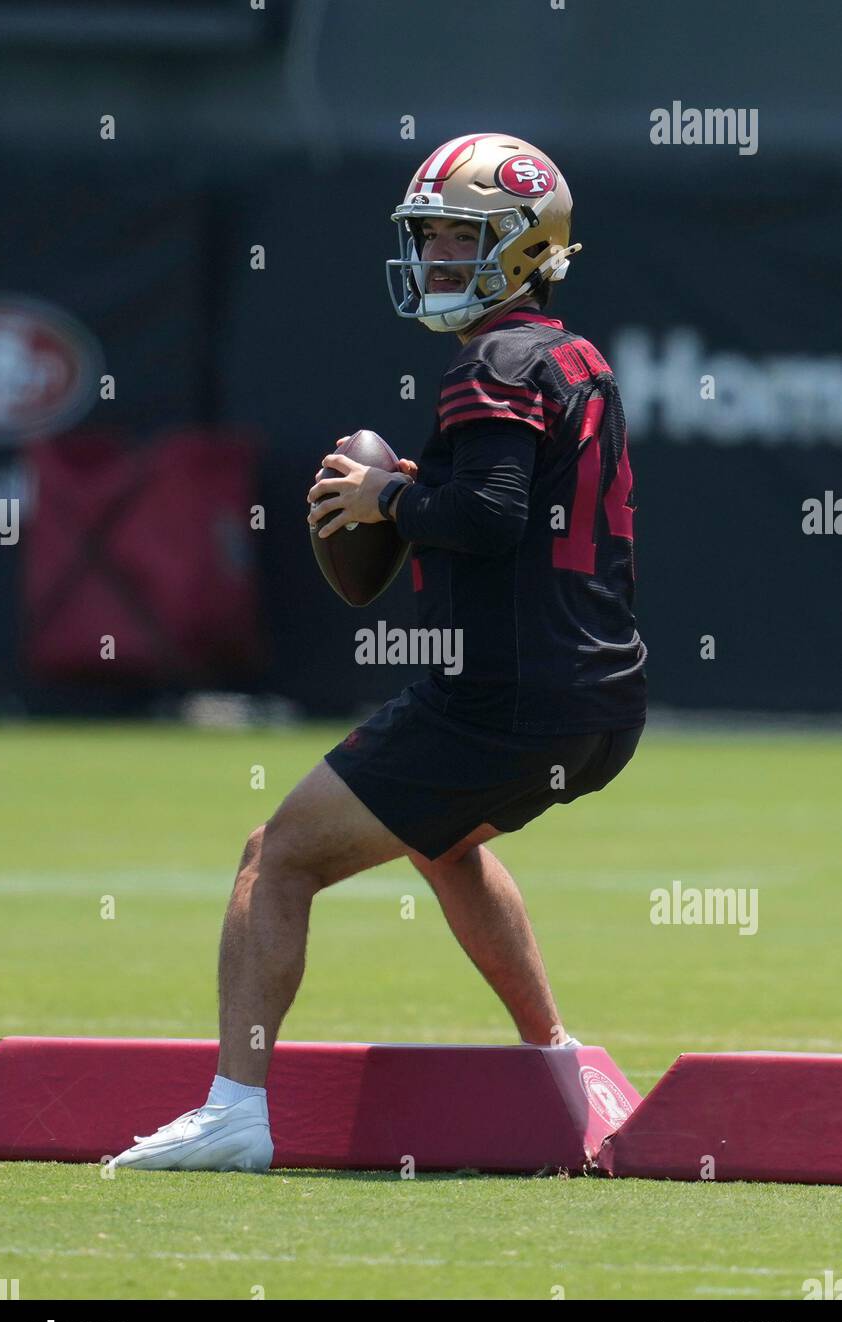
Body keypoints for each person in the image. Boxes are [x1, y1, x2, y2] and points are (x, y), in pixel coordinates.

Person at [110, 133, 646, 1173]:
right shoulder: (570, 356)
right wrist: (420, 491)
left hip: (499, 698)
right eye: (432, 236)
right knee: (442, 844)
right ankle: (553, 1056)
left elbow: (488, 517)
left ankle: (233, 1111)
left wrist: (390, 497)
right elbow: (514, 504)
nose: (441, 256)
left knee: (277, 858)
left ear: (525, 247)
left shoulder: (489, 362)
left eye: (464, 236)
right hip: (596, 697)